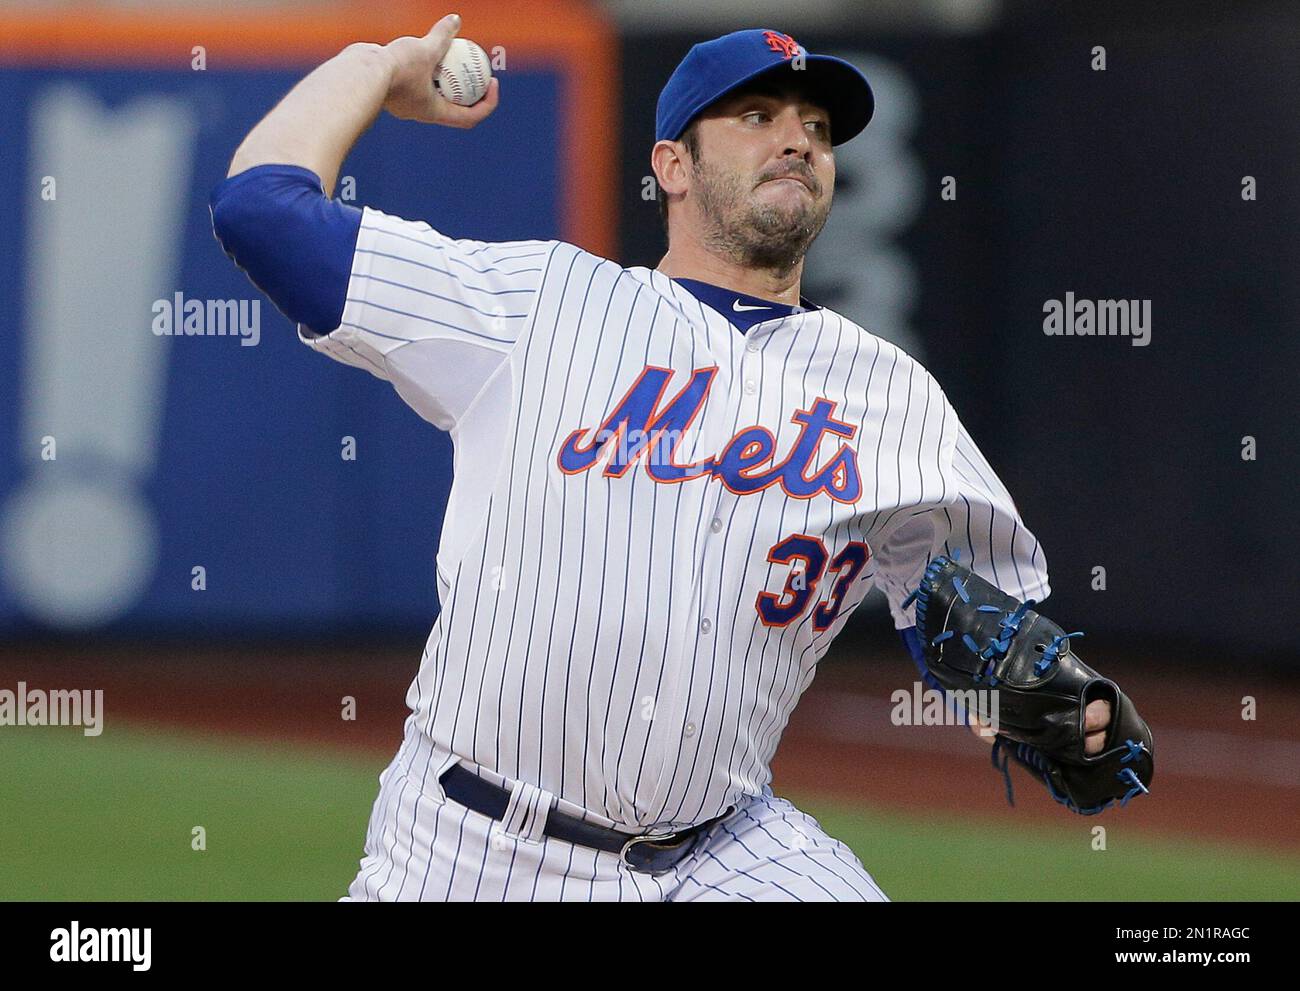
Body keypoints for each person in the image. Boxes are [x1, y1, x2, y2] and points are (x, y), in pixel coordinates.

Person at [211, 16, 1113, 901]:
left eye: (818, 127)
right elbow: (261, 209)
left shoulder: (893, 396)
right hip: (471, 845)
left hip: (721, 852)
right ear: (672, 167)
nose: (797, 139)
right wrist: (374, 65)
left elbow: (970, 619)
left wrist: (1056, 706)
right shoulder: (539, 304)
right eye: (758, 116)